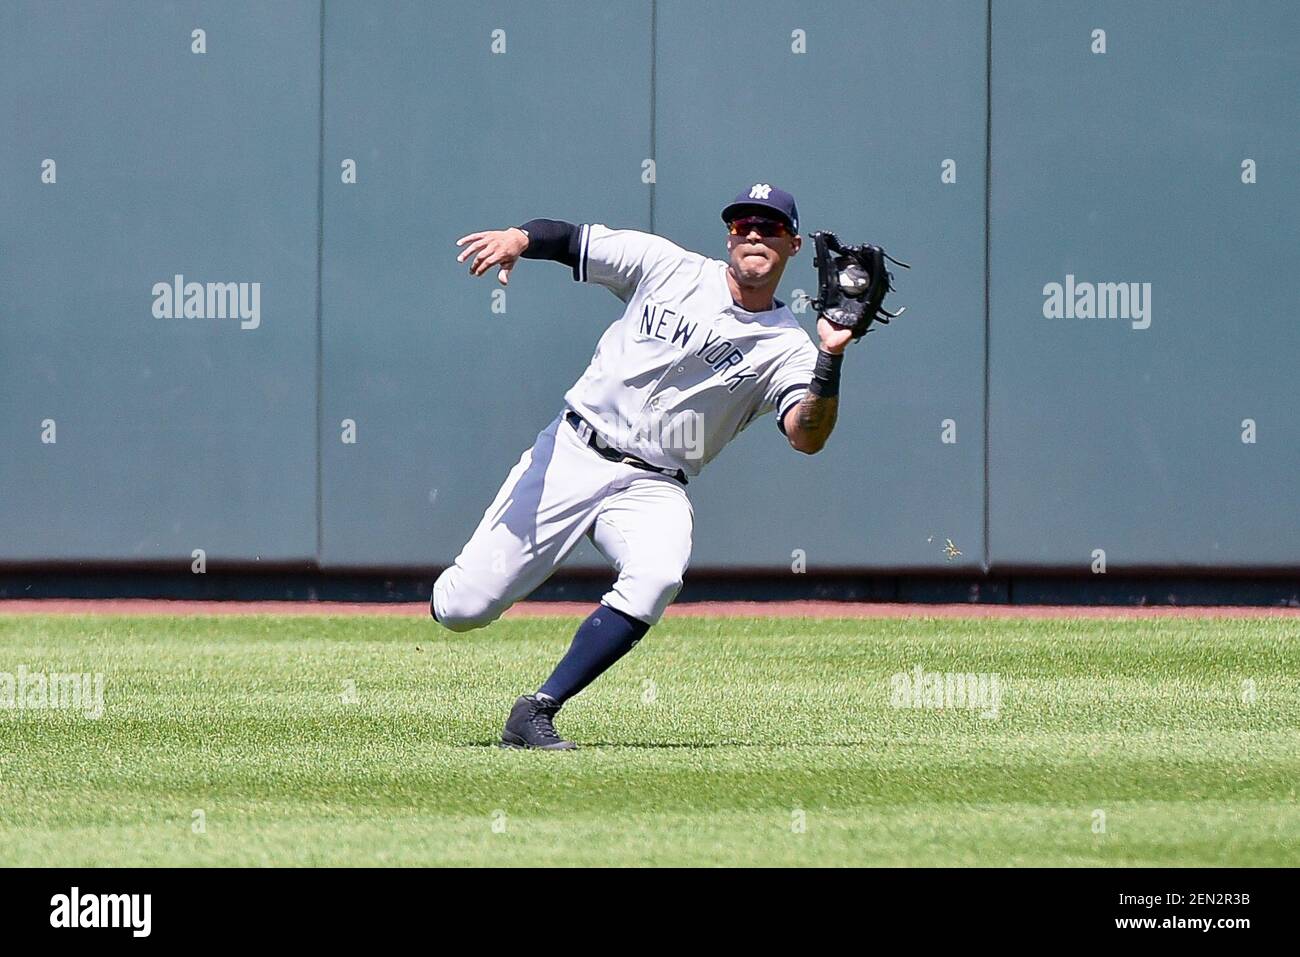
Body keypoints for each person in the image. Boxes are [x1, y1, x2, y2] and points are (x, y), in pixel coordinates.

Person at [432, 184, 853, 749]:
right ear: (729, 236)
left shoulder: (789, 347)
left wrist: (831, 356)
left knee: (657, 576)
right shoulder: (668, 267)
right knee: (464, 609)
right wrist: (517, 238)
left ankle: (536, 711)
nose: (754, 234)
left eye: (769, 226)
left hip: (653, 483)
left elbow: (808, 436)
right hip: (575, 451)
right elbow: (573, 240)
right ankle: (444, 593)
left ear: (793, 244)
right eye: (742, 224)